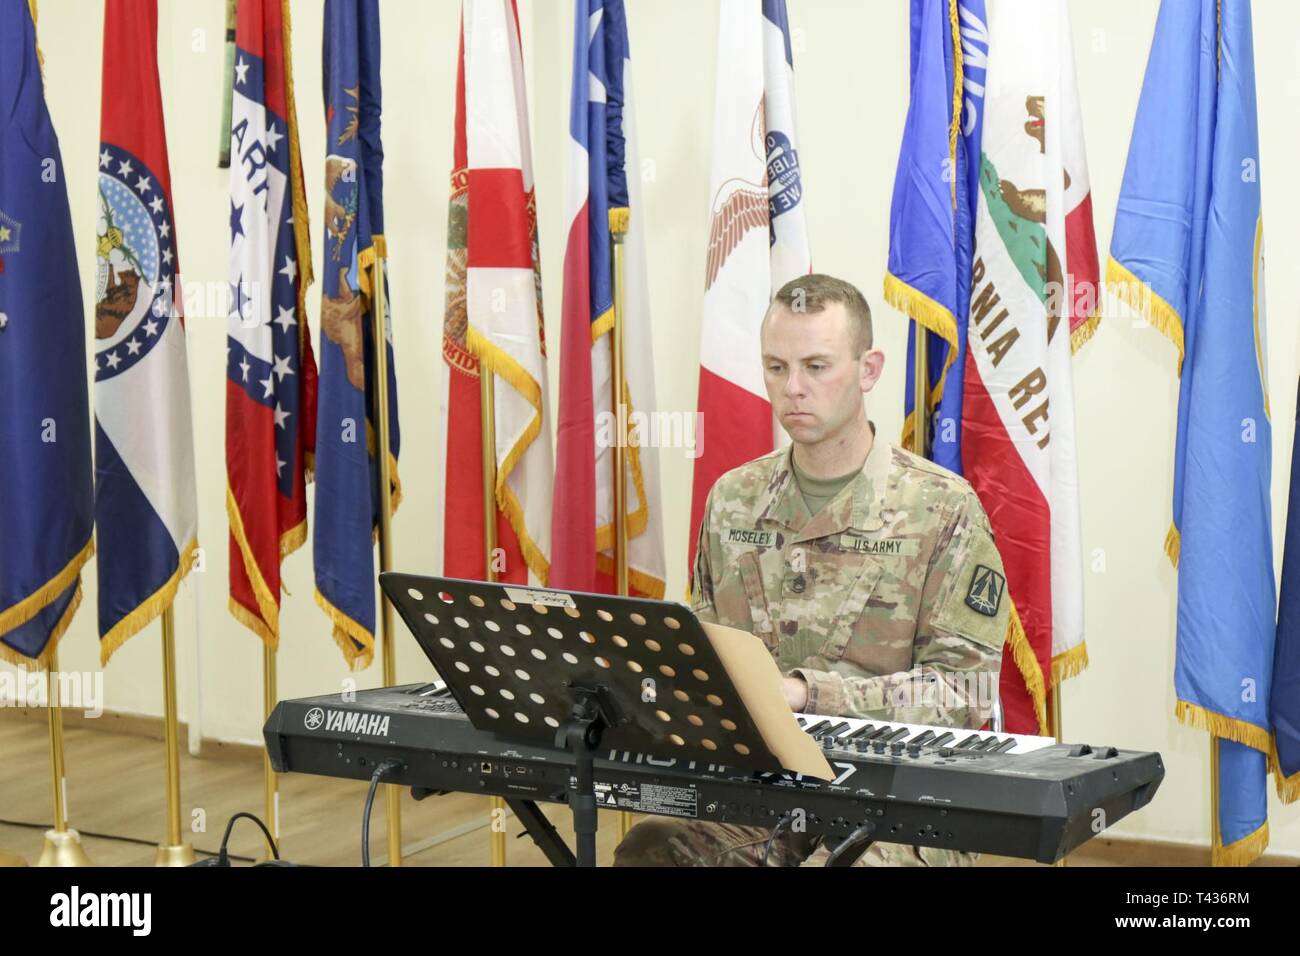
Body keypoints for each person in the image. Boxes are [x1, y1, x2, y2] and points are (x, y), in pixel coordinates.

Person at [614, 273, 1009, 867]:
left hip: (900, 797)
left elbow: (964, 694)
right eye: (776, 367)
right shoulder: (734, 498)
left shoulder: (942, 508)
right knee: (653, 850)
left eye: (817, 367)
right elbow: (699, 650)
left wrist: (806, 693)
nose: (792, 389)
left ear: (869, 369)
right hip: (759, 788)